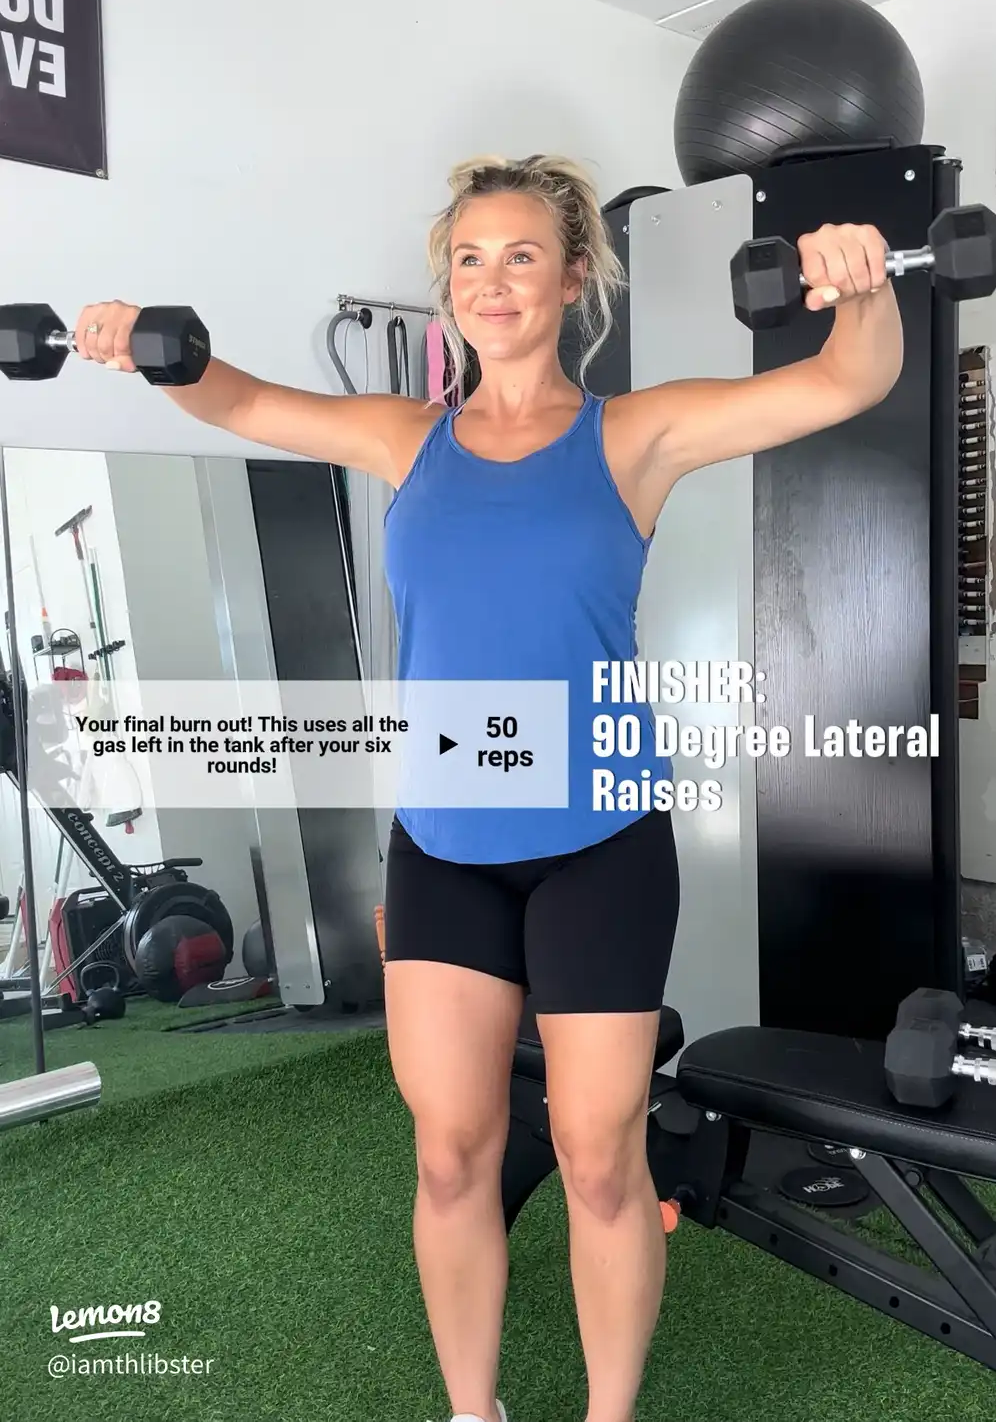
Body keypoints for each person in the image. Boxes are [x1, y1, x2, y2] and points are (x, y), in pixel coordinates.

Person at [76, 153, 902, 1422]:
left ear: (573, 278)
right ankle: (476, 1412)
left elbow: (852, 376)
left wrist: (861, 283)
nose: (492, 280)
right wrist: (145, 347)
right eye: (469, 258)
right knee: (453, 1152)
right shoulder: (404, 440)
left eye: (522, 254)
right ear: (447, 286)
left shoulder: (635, 431)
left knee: (596, 1153)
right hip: (447, 840)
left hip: (602, 842)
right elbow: (239, 403)